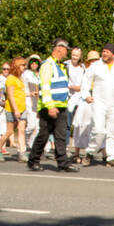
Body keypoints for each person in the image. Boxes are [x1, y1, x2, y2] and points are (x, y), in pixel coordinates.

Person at [30, 39, 77, 172]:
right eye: (66, 49)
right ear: (59, 49)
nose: (66, 52)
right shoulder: (47, 65)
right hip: (48, 107)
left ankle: (63, 164)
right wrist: (50, 106)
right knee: (43, 135)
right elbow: (44, 87)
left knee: (60, 136)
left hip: (61, 106)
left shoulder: (60, 66)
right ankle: (33, 160)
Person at [70, 50, 99, 160]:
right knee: (81, 125)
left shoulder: (100, 72)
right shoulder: (84, 71)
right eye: (92, 61)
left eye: (96, 60)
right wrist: (86, 96)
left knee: (93, 127)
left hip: (95, 101)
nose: (94, 63)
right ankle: (76, 153)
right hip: (84, 100)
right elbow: (80, 86)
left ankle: (89, 152)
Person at [23, 55, 41, 150]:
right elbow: (21, 89)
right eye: (32, 62)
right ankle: (25, 140)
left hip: (39, 102)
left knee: (38, 127)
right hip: (30, 100)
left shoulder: (41, 74)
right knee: (31, 125)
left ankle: (32, 145)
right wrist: (30, 93)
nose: (34, 64)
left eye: (36, 62)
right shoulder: (26, 74)